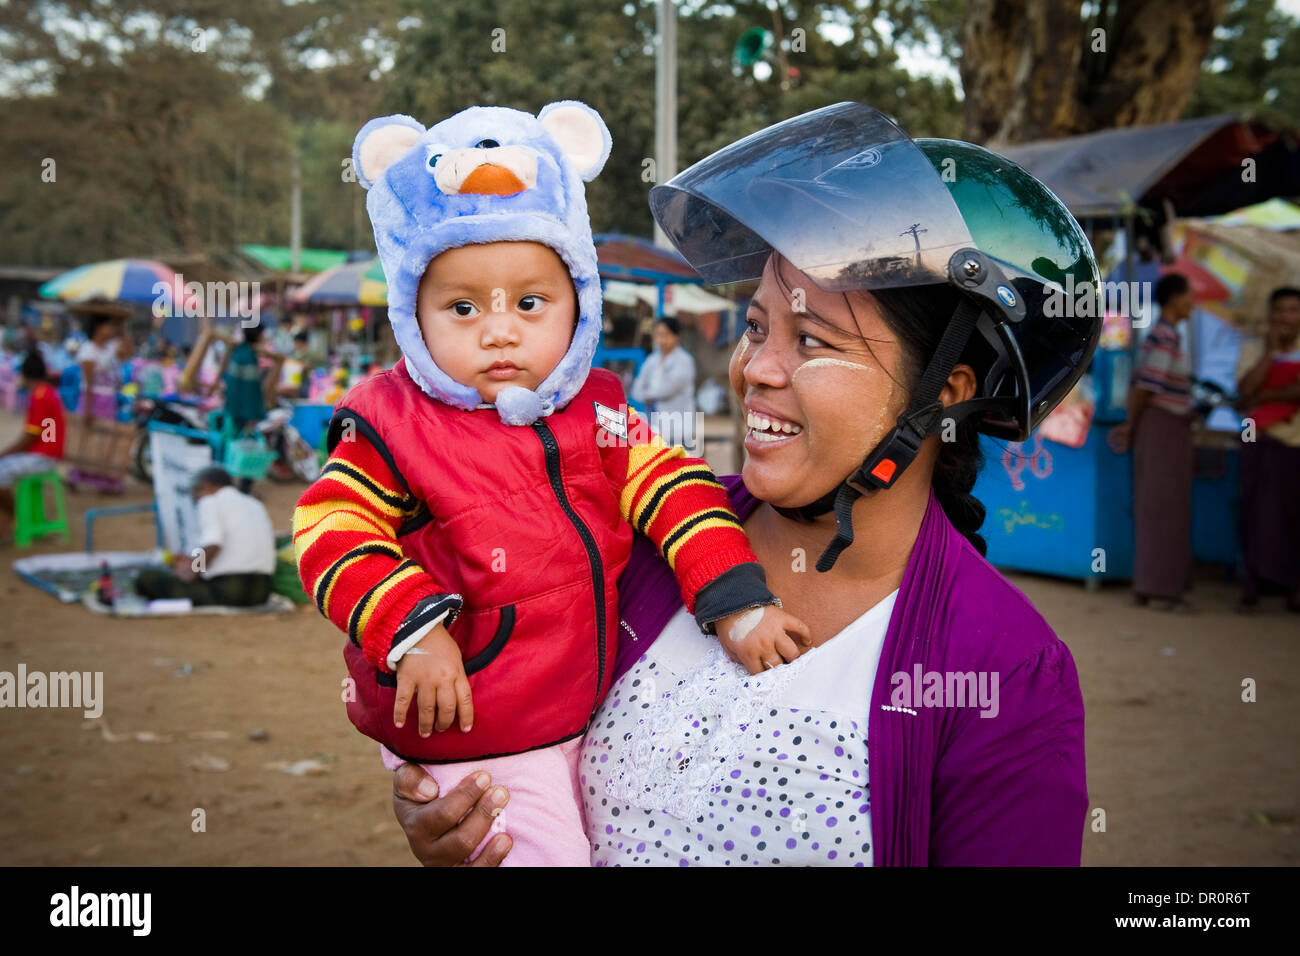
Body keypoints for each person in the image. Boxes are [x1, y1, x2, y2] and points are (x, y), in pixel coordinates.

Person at [389, 101, 1095, 866]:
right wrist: (474, 813)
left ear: (949, 389)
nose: (754, 369)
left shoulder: (1003, 670)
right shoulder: (640, 536)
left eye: (814, 342)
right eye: (757, 328)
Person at [293, 101, 811, 867]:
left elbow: (675, 487)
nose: (499, 330)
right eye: (462, 306)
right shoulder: (391, 422)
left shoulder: (595, 408)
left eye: (530, 303)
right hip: (475, 727)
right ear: (412, 314)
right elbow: (329, 528)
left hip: (581, 717)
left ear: (579, 302)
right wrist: (412, 630)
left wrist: (732, 598)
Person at [1107, 273, 1196, 612]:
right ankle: (1160, 587)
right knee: (1165, 507)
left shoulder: (1163, 335)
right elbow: (1147, 387)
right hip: (1163, 427)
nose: (1192, 302)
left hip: (1163, 426)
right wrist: (1133, 424)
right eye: (1188, 296)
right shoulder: (1165, 336)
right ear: (1174, 299)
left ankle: (1152, 584)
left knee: (1157, 505)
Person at [1234, 286, 1300, 612]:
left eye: (1293, 310)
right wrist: (1270, 355)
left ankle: (1293, 588)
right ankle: (1252, 586)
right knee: (1254, 515)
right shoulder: (1254, 348)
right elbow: (1245, 390)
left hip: (1293, 443)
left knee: (1293, 516)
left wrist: (1264, 397)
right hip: (1256, 441)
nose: (1286, 317)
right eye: (1280, 310)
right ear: (1271, 314)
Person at [135, 466, 276, 606]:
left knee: (147, 579)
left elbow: (213, 543)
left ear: (207, 486)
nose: (195, 498)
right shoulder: (254, 504)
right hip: (262, 592)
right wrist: (193, 562)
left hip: (231, 590)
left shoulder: (210, 501)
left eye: (195, 491)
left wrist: (192, 572)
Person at [0, 351, 65, 540]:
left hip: (44, 457)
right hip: (46, 454)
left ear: (25, 375)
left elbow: (30, 437)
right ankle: (16, 517)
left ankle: (17, 516)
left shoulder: (40, 395)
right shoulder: (46, 392)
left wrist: (4, 454)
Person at [70, 300, 133, 494]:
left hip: (108, 400)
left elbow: (127, 353)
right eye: (108, 326)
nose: (110, 330)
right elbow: (88, 384)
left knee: (105, 440)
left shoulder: (109, 349)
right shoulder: (88, 350)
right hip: (94, 399)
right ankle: (78, 475)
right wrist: (88, 410)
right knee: (89, 438)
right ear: (98, 328)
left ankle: (101, 478)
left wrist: (122, 329)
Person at [631, 316, 697, 448]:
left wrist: (648, 394)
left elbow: (668, 389)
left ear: (677, 336)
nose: (661, 339)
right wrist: (647, 394)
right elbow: (636, 389)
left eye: (666, 334)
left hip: (679, 427)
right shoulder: (651, 360)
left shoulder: (684, 361)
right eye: (658, 335)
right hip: (656, 426)